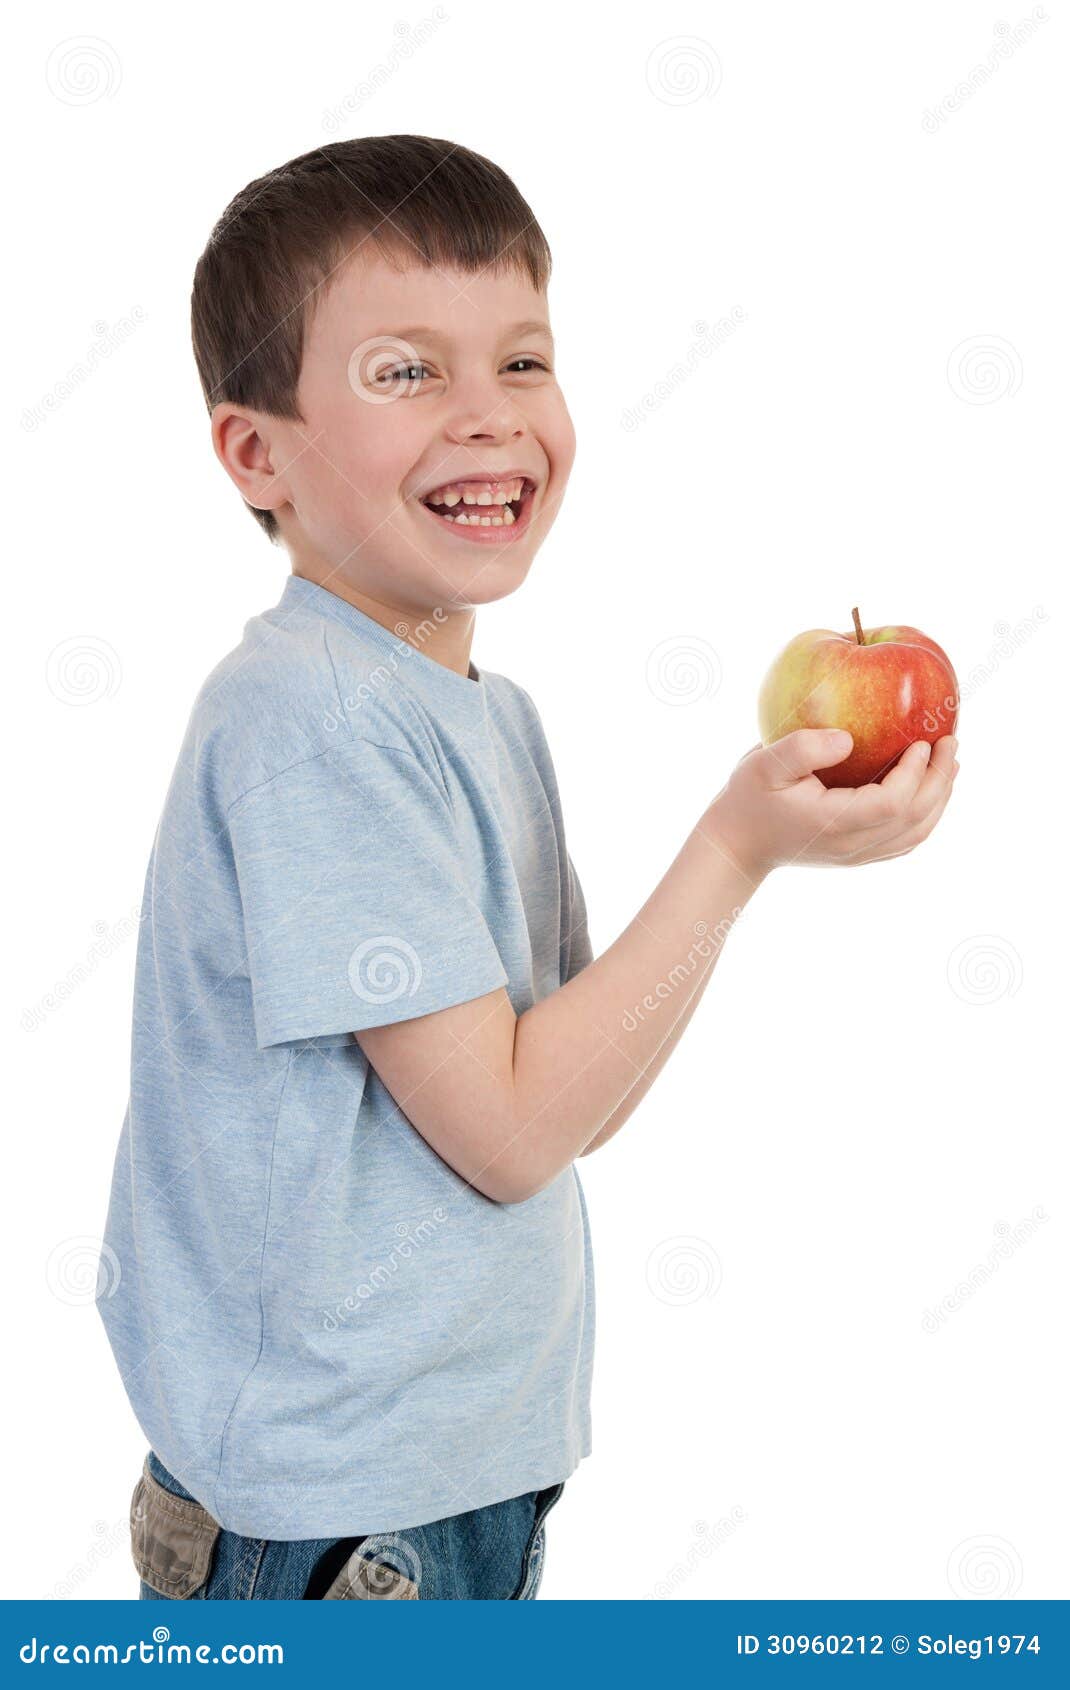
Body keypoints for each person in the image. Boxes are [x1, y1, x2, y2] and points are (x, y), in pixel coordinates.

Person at [97, 134, 958, 1601]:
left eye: (521, 360)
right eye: (403, 372)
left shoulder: (484, 715)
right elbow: (504, 1134)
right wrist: (734, 847)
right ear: (257, 452)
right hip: (341, 1522)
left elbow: (570, 1102)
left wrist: (749, 852)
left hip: (441, 1477)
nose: (486, 420)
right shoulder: (311, 721)